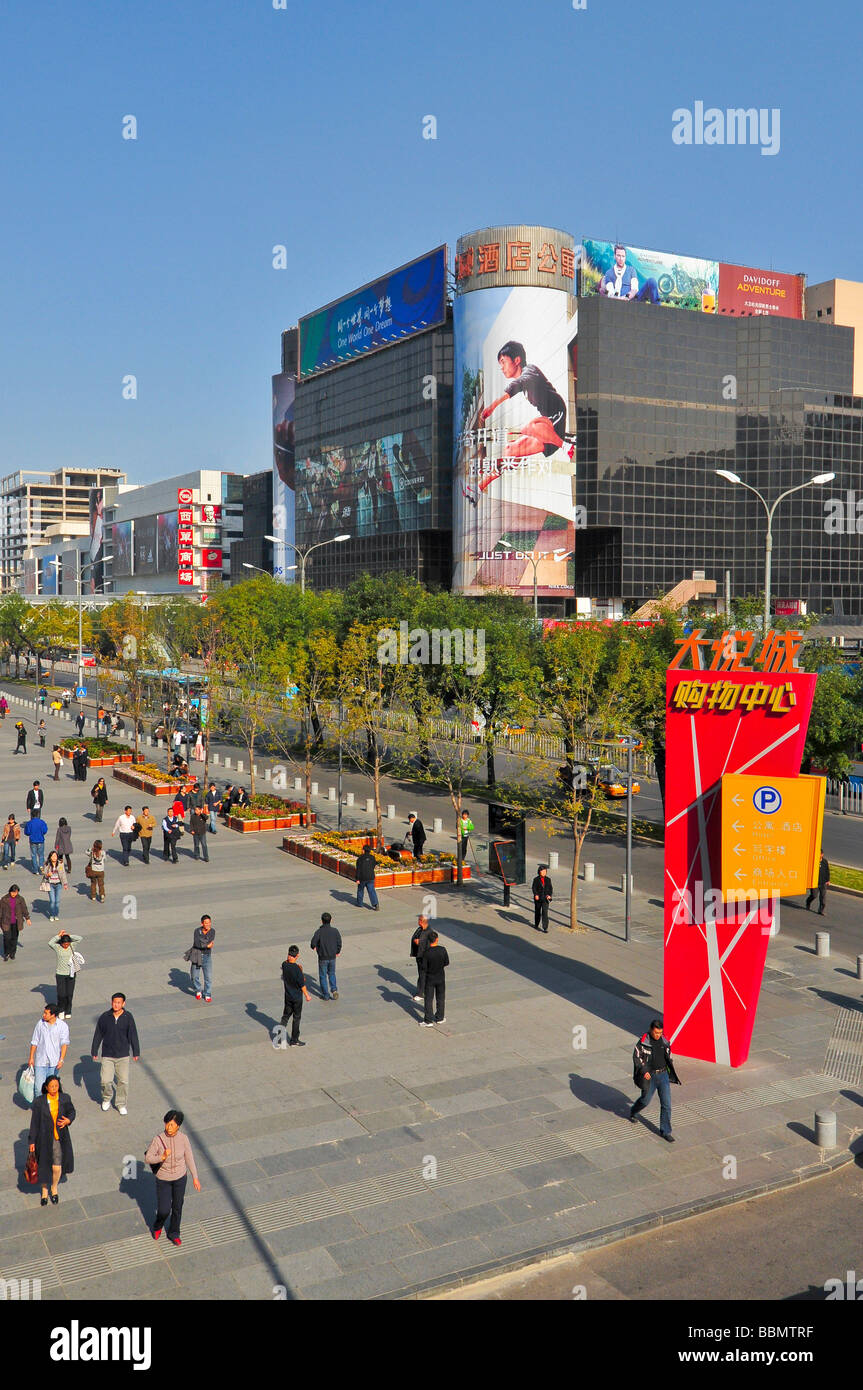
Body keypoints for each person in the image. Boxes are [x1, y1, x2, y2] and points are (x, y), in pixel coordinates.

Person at [463, 340, 571, 507]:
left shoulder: (530, 371)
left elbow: (517, 385)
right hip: (547, 429)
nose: (502, 367)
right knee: (510, 450)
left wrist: (492, 406)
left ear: (517, 360)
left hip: (557, 416)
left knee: (530, 427)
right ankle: (478, 488)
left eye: (504, 362)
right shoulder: (524, 381)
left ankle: (565, 446)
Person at [145, 1109, 201, 1245]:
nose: (169, 1127)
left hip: (180, 1178)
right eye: (167, 1124)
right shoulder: (158, 1140)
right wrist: (162, 1157)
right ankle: (158, 1225)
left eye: (172, 1125)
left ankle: (174, 1232)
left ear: (178, 1126)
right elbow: (148, 1158)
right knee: (164, 1210)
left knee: (177, 1206)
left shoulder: (183, 1139)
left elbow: (189, 1158)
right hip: (163, 1179)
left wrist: (195, 1177)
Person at [629, 1018, 681, 1142]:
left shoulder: (665, 1041)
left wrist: (669, 1070)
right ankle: (634, 1110)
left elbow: (669, 1056)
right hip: (650, 1076)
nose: (658, 1035)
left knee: (667, 1104)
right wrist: (644, 1071)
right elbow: (637, 1057)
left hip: (663, 1075)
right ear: (651, 1030)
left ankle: (665, 1131)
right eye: (656, 1033)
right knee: (645, 1101)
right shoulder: (643, 1042)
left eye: (660, 1033)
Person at [28, 1076, 75, 1206]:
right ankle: (44, 1190)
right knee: (43, 1166)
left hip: (59, 1139)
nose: (54, 1089)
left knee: (56, 1166)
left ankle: (54, 1187)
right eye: (52, 1086)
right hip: (43, 1139)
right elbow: (34, 1123)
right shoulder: (39, 1102)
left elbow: (72, 1111)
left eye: (56, 1086)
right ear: (46, 1087)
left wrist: (68, 1120)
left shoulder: (65, 1098)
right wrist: (32, 1141)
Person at [91, 992, 140, 1114]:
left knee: (123, 1081)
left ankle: (121, 1103)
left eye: (119, 1002)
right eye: (114, 1002)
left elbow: (133, 1034)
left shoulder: (128, 1017)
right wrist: (94, 1050)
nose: (116, 1005)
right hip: (107, 1054)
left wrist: (136, 1051)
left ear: (123, 1003)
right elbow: (98, 1034)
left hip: (123, 1055)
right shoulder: (105, 1017)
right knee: (105, 1081)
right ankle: (107, 1098)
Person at [28, 1002, 69, 1098]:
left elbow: (64, 1044)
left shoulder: (62, 1026)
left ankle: (50, 1105)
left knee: (51, 1087)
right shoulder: (40, 1024)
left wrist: (61, 1059)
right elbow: (34, 1041)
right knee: (38, 1087)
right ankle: (40, 1106)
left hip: (54, 1062)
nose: (44, 1015)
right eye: (44, 1012)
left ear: (53, 1015)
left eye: (46, 1013)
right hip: (40, 1061)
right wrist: (31, 1058)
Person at [281, 945, 311, 1046]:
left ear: (288, 954)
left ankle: (280, 1036)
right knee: (296, 1018)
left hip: (288, 996)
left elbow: (286, 961)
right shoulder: (297, 970)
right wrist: (307, 995)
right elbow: (302, 984)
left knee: (285, 1016)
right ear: (297, 955)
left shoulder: (284, 965)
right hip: (297, 998)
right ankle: (294, 1040)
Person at [49, 930, 83, 1019]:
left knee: (69, 994)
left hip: (71, 973)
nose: (66, 945)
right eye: (64, 944)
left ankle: (68, 1010)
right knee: (61, 994)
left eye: (68, 944)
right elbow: (50, 943)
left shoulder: (72, 946)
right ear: (61, 943)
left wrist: (69, 935)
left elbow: (80, 938)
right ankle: (61, 1010)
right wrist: (59, 936)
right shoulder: (58, 947)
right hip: (60, 974)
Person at [419, 930, 449, 1027]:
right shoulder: (442, 949)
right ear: (437, 939)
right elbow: (446, 962)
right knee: (440, 998)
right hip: (440, 977)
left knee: (429, 999)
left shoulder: (426, 953)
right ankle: (440, 1017)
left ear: (429, 941)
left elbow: (424, 967)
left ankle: (428, 1020)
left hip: (430, 978)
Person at [310, 911, 342, 1001]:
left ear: (322, 921)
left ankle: (326, 994)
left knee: (323, 975)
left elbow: (312, 943)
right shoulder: (335, 931)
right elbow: (339, 942)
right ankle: (334, 989)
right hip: (332, 957)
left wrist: (315, 948)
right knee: (332, 973)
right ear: (331, 920)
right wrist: (337, 951)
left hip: (322, 957)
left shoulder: (319, 931)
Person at [1, 883, 30, 960]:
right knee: (7, 938)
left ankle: (12, 953)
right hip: (6, 921)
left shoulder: (20, 899)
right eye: (13, 892)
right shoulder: (4, 899)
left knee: (14, 938)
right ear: (10, 891)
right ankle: (6, 953)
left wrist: (27, 918)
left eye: (16, 892)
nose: (14, 894)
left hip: (16, 922)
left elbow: (24, 909)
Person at [189, 913, 215, 1000]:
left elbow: (208, 941)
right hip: (197, 956)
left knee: (208, 977)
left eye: (209, 922)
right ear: (202, 924)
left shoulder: (212, 931)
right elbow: (197, 943)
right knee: (194, 976)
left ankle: (207, 993)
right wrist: (206, 945)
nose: (208, 925)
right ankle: (198, 990)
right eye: (206, 923)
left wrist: (202, 943)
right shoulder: (197, 931)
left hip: (207, 956)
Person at [410, 914, 432, 1002]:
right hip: (419, 956)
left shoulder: (429, 932)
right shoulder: (420, 929)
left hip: (424, 958)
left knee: (422, 975)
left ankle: (420, 993)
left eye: (419, 920)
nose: (418, 921)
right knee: (421, 974)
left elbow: (430, 945)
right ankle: (423, 990)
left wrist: (420, 942)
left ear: (422, 921)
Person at [41, 850, 68, 921]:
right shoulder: (47, 864)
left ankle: (56, 914)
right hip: (50, 884)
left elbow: (63, 874)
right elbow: (44, 874)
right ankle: (52, 915)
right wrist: (47, 875)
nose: (54, 857)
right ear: (50, 857)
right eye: (53, 856)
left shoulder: (60, 864)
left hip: (58, 884)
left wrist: (65, 883)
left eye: (55, 856)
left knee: (57, 901)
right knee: (52, 901)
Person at [23, 810, 48, 875]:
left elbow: (27, 832)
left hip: (32, 841)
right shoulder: (42, 822)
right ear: (37, 815)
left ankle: (35, 870)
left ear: (32, 815)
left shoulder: (29, 823)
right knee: (41, 855)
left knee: (33, 855)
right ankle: (41, 867)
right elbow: (45, 831)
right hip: (40, 840)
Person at [355, 845, 379, 910]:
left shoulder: (360, 858)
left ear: (364, 850)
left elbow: (358, 869)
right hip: (371, 877)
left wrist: (357, 878)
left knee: (360, 890)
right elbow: (374, 865)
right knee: (371, 891)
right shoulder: (372, 857)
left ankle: (360, 903)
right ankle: (375, 904)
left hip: (362, 878)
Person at [532, 864, 553, 932]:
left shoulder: (548, 879)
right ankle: (536, 924)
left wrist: (549, 895)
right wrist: (536, 894)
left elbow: (550, 888)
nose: (544, 872)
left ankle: (545, 927)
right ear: (539, 872)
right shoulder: (536, 879)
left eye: (545, 871)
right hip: (538, 898)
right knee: (537, 912)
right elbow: (534, 888)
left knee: (545, 912)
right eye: (542, 871)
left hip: (545, 899)